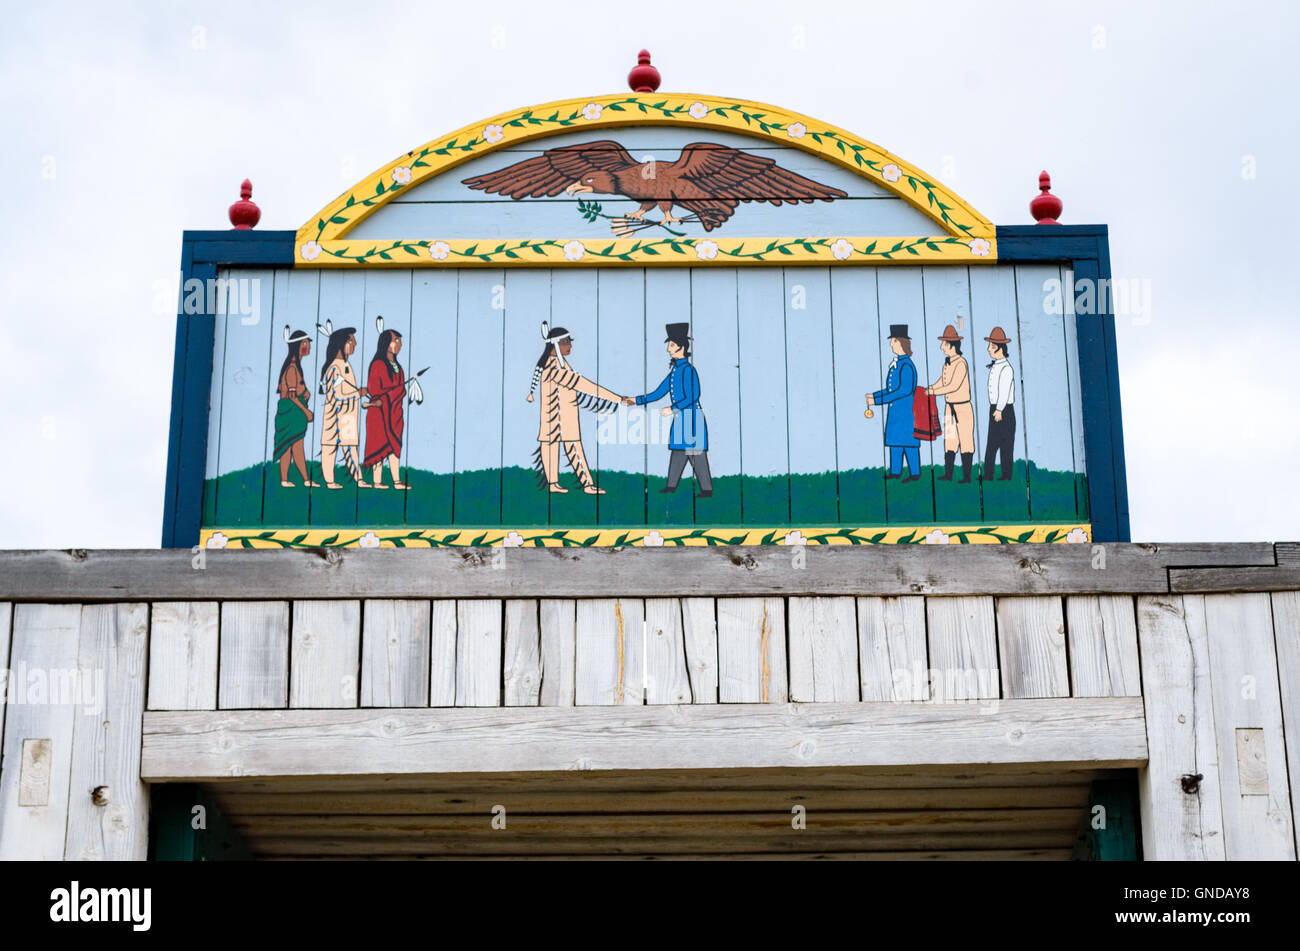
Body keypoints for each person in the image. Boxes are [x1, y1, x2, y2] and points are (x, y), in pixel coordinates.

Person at [526, 322, 623, 494]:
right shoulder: (553, 367)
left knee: (574, 449)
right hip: (553, 417)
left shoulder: (560, 364)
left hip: (567, 416)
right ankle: (555, 483)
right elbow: (580, 384)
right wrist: (617, 398)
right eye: (566, 342)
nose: (570, 345)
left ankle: (587, 484)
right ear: (555, 346)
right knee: (551, 447)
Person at [623, 322, 712, 497]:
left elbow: (693, 395)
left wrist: (672, 409)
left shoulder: (688, 370)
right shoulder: (675, 371)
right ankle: (671, 486)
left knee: (696, 454)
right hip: (681, 417)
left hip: (691, 417)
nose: (668, 349)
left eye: (672, 345)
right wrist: (635, 401)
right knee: (678, 451)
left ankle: (707, 489)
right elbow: (658, 393)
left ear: (681, 347)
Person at [317, 322, 370, 489]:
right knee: (330, 449)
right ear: (342, 344)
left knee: (351, 449)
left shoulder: (346, 365)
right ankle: (330, 481)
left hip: (348, 415)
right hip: (335, 417)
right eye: (351, 341)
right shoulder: (334, 367)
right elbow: (337, 395)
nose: (354, 344)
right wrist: (358, 393)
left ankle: (359, 479)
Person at [866, 324, 920, 482]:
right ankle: (895, 471)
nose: (891, 344)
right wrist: (875, 396)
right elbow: (890, 389)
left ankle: (915, 473)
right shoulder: (897, 364)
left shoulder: (907, 365)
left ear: (902, 343)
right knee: (895, 442)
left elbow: (903, 390)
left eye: (894, 341)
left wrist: (877, 400)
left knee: (909, 444)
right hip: (896, 412)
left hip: (906, 412)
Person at [926, 324, 975, 483]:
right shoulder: (947, 363)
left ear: (951, 345)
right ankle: (949, 474)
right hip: (950, 407)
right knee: (950, 440)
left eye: (944, 344)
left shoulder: (961, 363)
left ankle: (967, 476)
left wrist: (933, 392)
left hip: (962, 406)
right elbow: (943, 381)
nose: (942, 347)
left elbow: (953, 386)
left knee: (966, 440)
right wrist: (931, 388)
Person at [272, 327, 320, 488]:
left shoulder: (296, 367)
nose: (308, 346)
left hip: (294, 414)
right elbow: (291, 395)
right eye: (305, 343)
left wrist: (306, 392)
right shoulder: (292, 368)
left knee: (294, 446)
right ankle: (296, 479)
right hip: (291, 414)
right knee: (291, 447)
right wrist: (306, 411)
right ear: (298, 345)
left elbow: (297, 389)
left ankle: (295, 479)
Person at [363, 319, 408, 489]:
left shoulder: (398, 367)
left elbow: (401, 390)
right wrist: (388, 396)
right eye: (396, 340)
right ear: (387, 344)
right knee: (380, 445)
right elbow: (375, 390)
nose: (399, 343)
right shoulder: (378, 365)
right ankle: (377, 480)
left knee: (394, 446)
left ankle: (396, 480)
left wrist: (394, 393)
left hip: (395, 412)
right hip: (380, 413)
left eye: (399, 340)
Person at [982, 326, 1016, 481]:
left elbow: (1004, 391)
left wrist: (999, 409)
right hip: (994, 408)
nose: (989, 349)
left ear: (1000, 349)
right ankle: (988, 474)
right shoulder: (996, 366)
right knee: (992, 443)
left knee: (1006, 444)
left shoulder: (1006, 368)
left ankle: (1006, 475)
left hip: (1004, 410)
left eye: (992, 347)